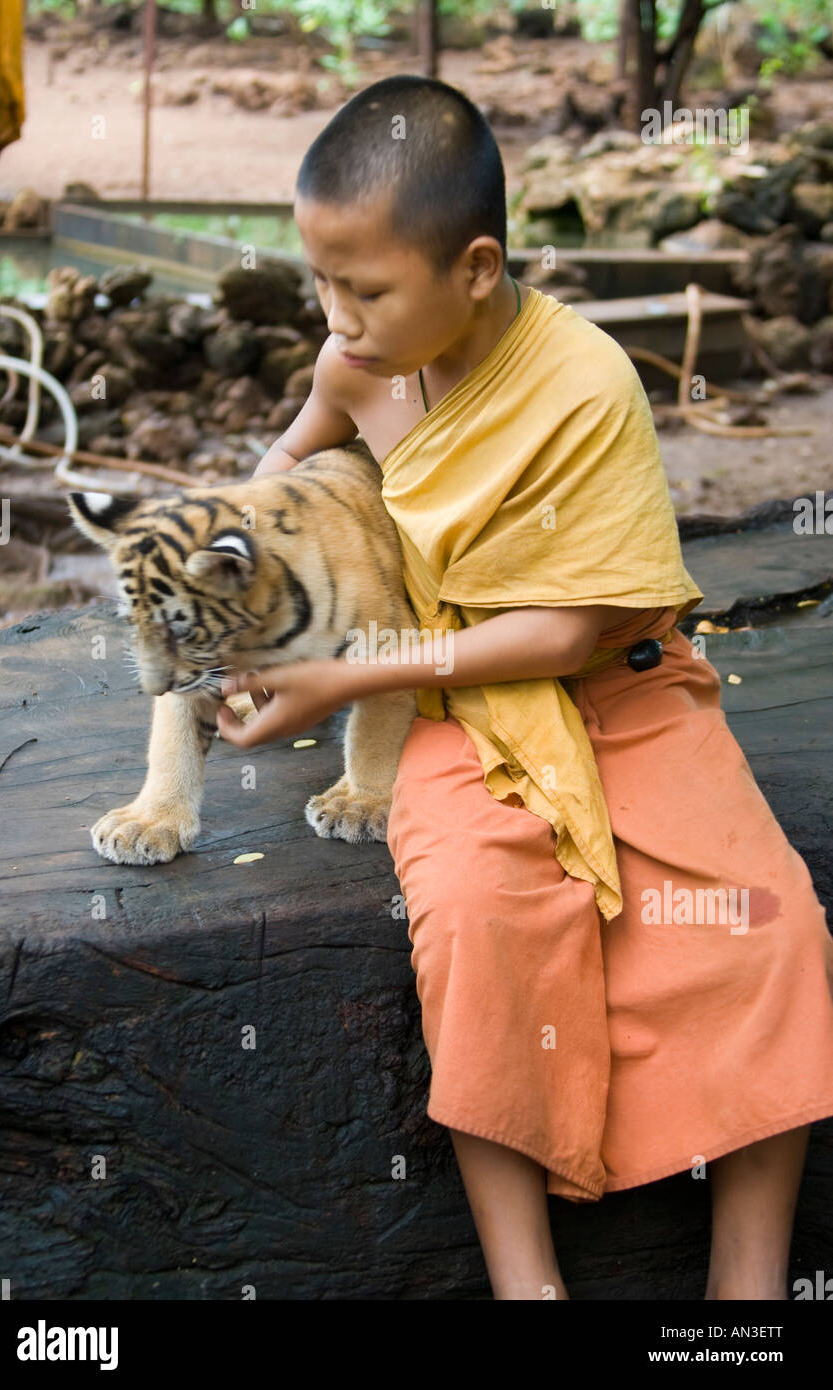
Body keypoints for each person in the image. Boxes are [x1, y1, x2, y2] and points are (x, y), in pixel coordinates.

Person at [216, 74, 833, 1300]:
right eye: (319, 284)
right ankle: (525, 1285)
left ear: (479, 267)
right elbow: (272, 483)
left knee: (766, 932)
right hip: (455, 717)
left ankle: (747, 1295)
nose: (335, 317)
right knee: (479, 929)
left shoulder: (586, 383)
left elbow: (564, 633)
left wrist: (345, 673)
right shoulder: (359, 371)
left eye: (368, 288)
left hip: (619, 686)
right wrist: (232, 577)